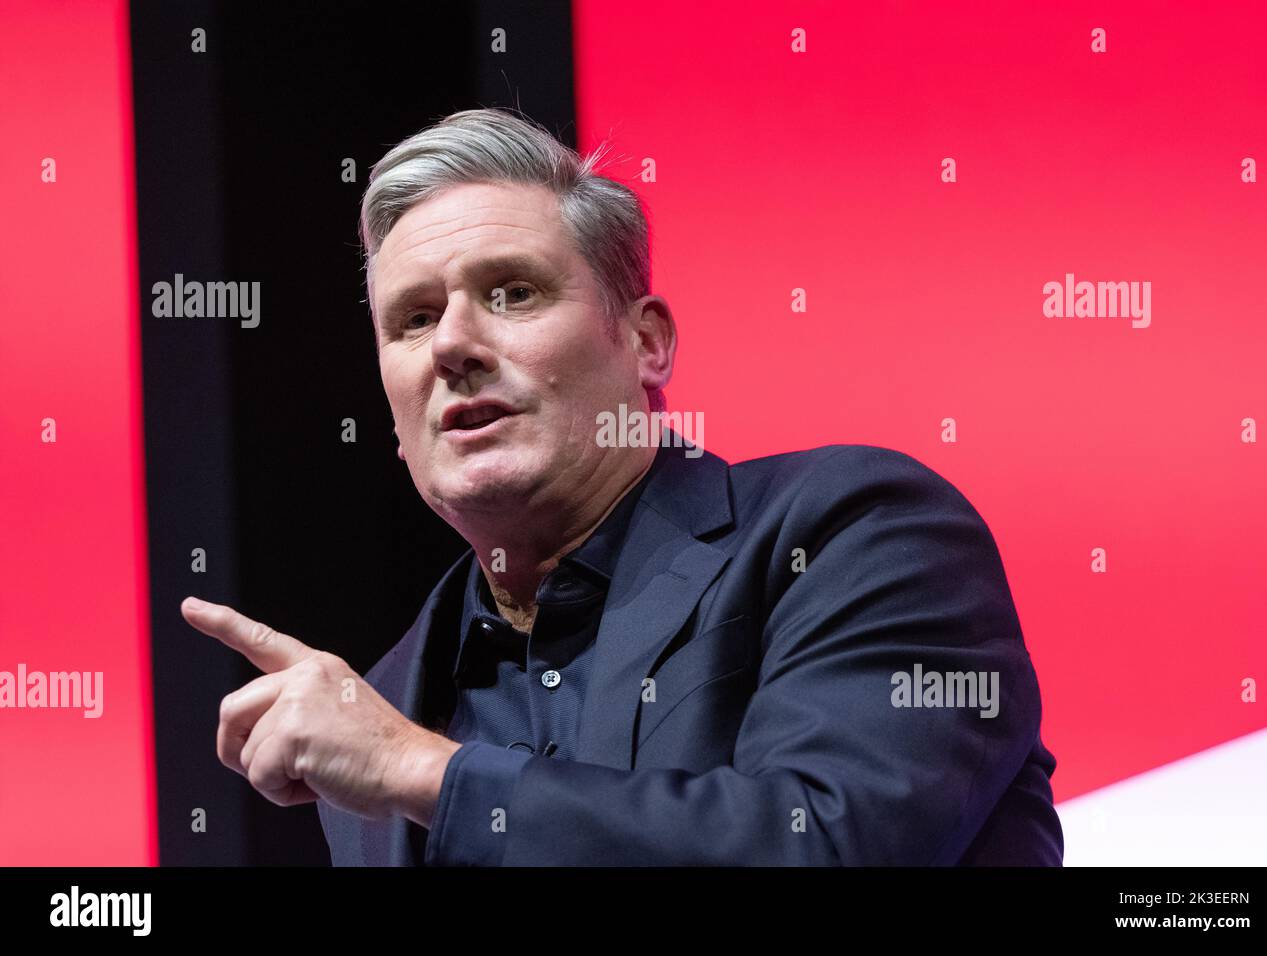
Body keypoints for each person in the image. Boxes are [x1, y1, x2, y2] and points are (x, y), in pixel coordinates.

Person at [181, 107, 1064, 866]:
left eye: (513, 293)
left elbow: (823, 844)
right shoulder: (390, 697)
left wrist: (425, 773)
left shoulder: (851, 536)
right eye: (412, 320)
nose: (452, 344)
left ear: (646, 343)